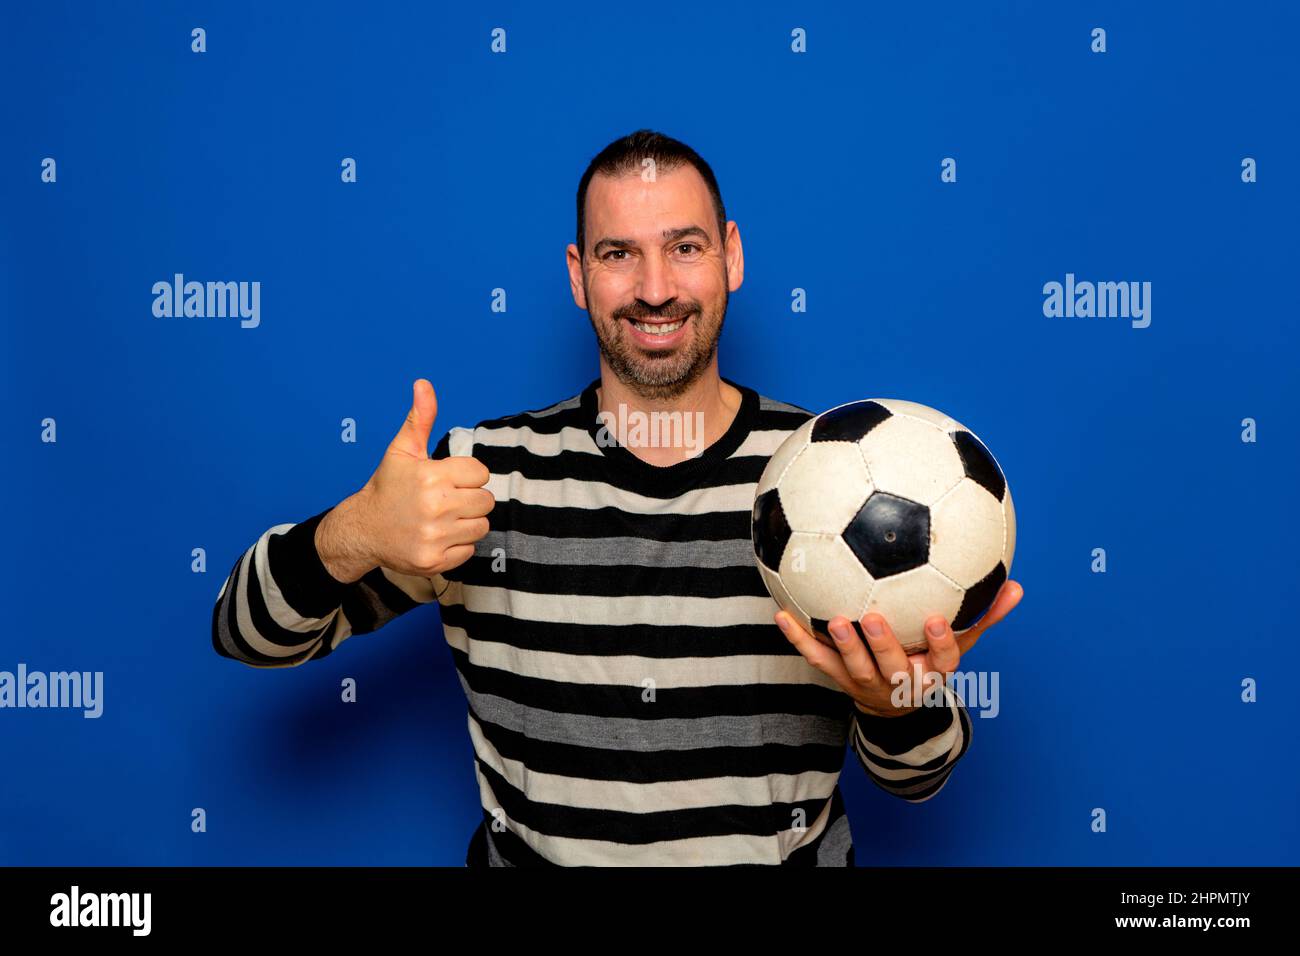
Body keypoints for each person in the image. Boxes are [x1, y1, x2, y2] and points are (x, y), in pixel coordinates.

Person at [211, 129, 1023, 866]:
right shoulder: (479, 477)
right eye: (618, 254)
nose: (656, 287)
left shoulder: (830, 481)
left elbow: (921, 779)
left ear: (732, 257)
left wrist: (894, 701)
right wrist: (349, 534)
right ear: (578, 275)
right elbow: (246, 635)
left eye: (686, 247)